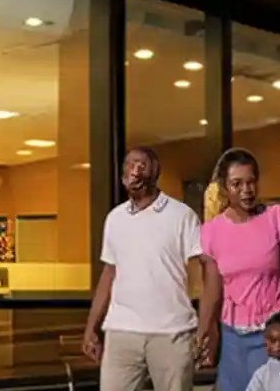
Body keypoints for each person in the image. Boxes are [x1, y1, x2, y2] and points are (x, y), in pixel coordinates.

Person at [83, 146, 221, 391]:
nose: (133, 170)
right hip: (121, 331)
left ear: (155, 172)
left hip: (172, 333)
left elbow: (208, 266)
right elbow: (109, 274)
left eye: (141, 164)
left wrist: (206, 325)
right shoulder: (115, 218)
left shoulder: (181, 215)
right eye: (128, 164)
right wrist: (91, 326)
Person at [201, 148, 280, 391]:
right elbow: (212, 291)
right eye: (237, 184)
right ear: (225, 188)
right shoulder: (211, 231)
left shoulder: (279, 217)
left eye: (251, 182)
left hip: (274, 335)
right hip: (232, 337)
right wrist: (203, 333)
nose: (246, 190)